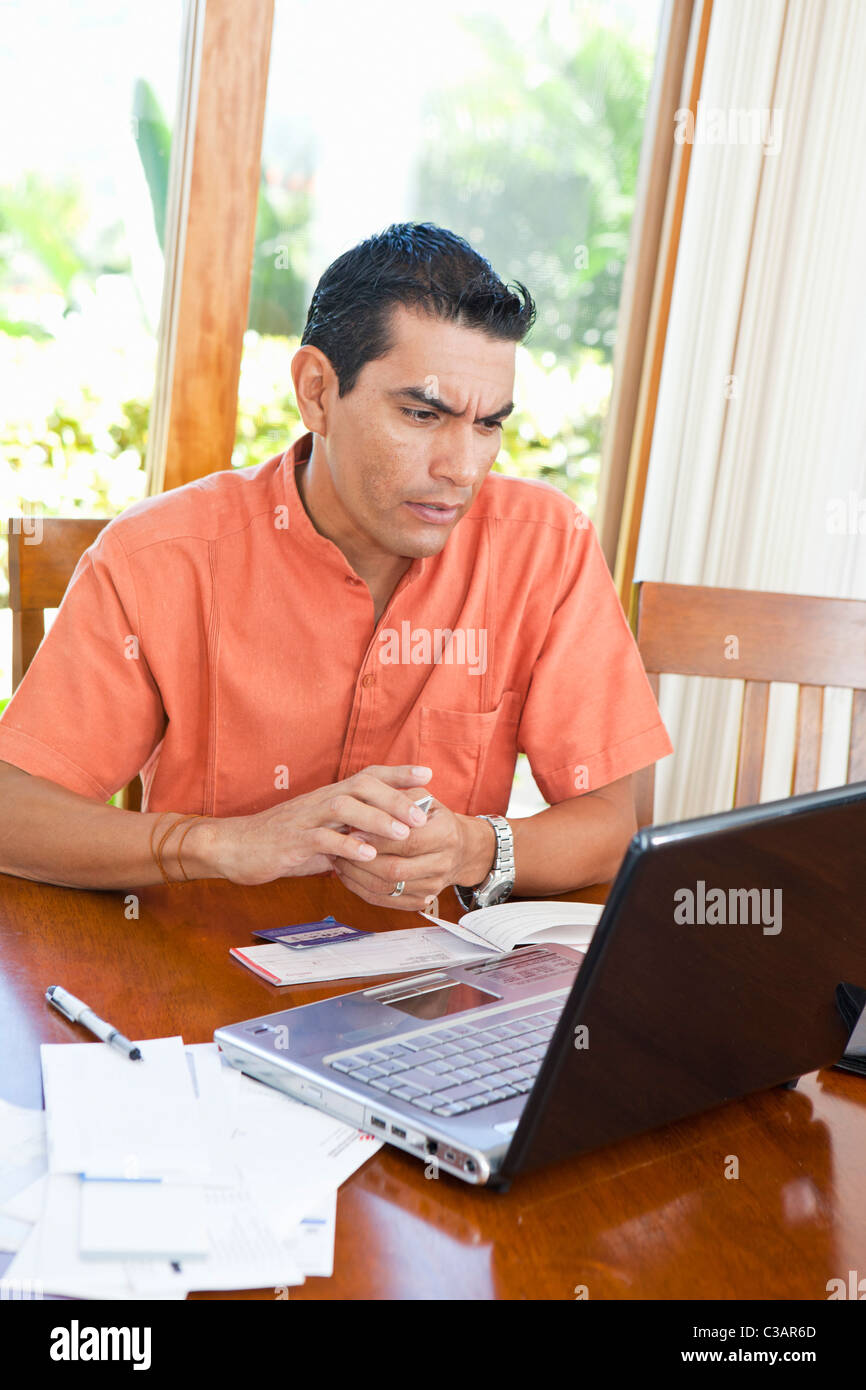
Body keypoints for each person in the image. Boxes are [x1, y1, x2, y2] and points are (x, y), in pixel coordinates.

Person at [0, 222, 671, 909]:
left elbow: (612, 824)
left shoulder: (546, 546)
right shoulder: (161, 557)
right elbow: (13, 815)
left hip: (426, 984)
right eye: (421, 413)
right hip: (200, 977)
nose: (462, 469)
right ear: (317, 391)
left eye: (489, 424)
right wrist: (221, 844)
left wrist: (473, 847)